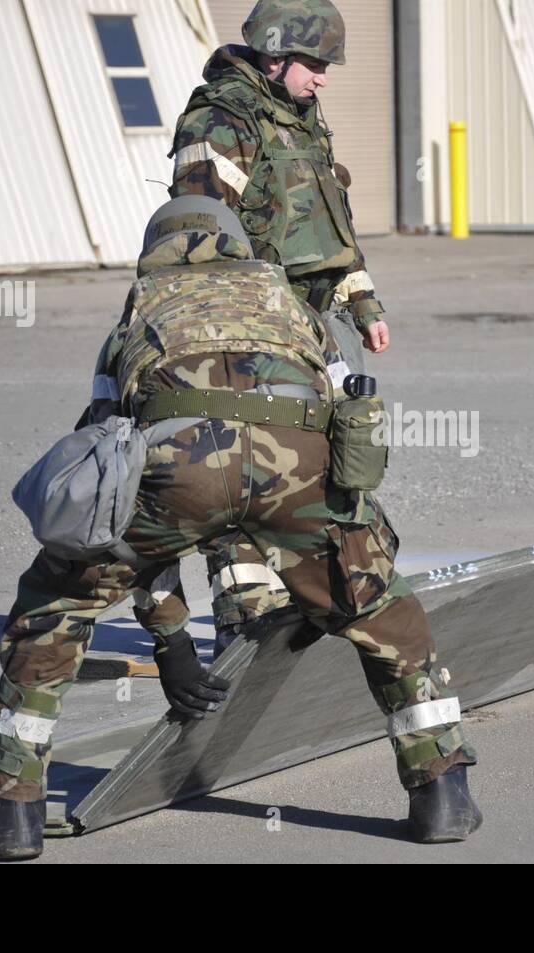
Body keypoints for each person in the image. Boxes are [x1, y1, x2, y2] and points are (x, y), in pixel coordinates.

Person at [0, 197, 480, 860]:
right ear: (238, 245)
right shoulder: (288, 301)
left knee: (54, 604)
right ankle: (441, 792)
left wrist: (171, 640)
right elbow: (344, 407)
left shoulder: (140, 306)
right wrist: (334, 571)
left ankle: (14, 808)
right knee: (385, 614)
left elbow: (108, 478)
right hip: (295, 462)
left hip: (177, 467)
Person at [166, 0, 388, 649]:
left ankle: (314, 593)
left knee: (323, 458)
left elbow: (330, 222)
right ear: (274, 52)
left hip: (310, 325)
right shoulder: (222, 121)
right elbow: (197, 232)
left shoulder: (301, 119)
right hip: (250, 330)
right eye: (315, 64)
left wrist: (363, 303)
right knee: (245, 467)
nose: (323, 78)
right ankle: (244, 613)